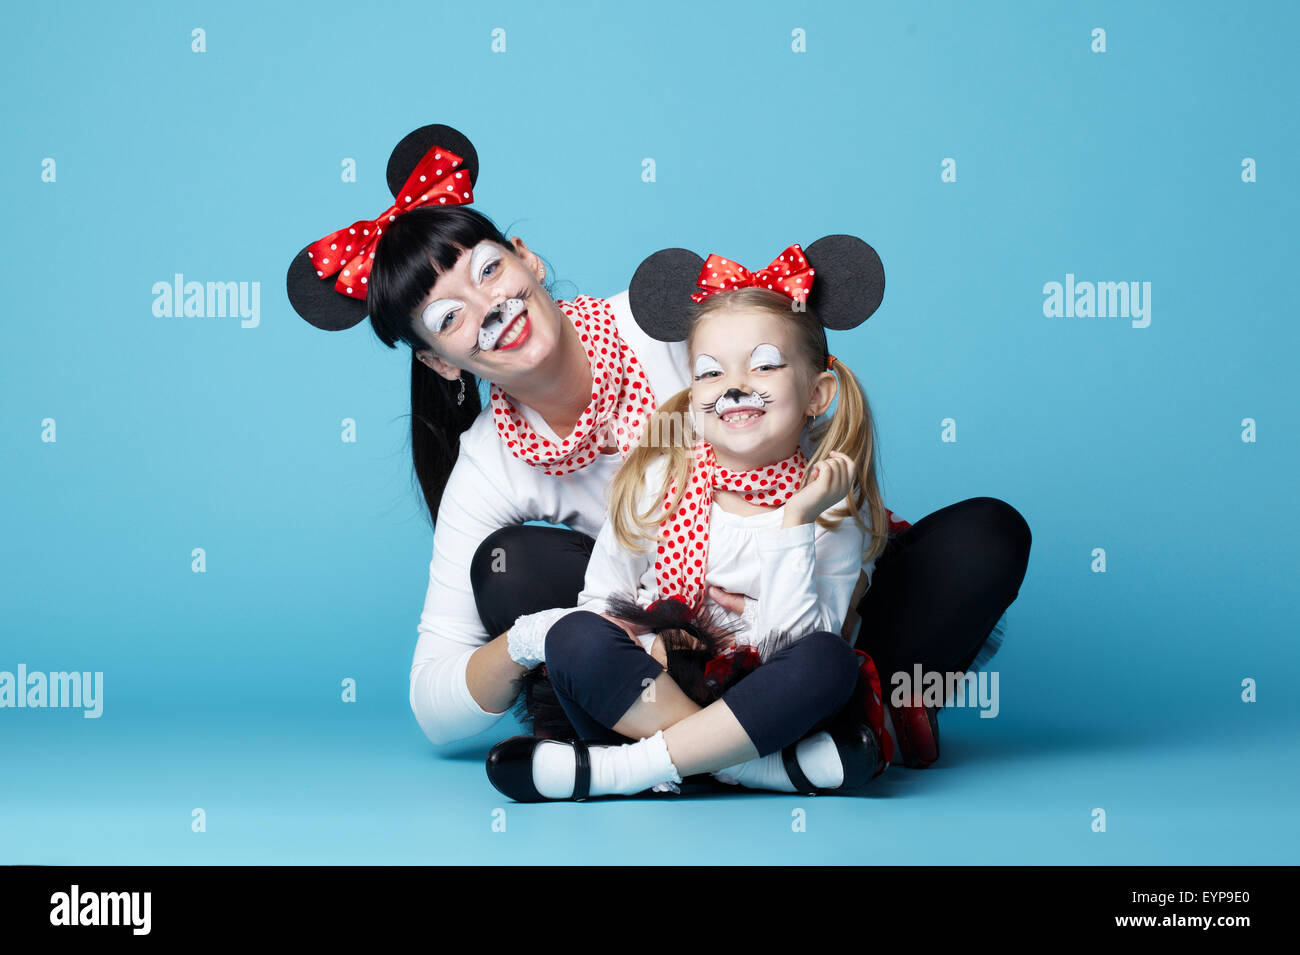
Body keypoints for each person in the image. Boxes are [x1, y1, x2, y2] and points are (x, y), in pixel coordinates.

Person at [285, 124, 1031, 768]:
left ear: (526, 256)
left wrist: (779, 552)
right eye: (451, 318)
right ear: (441, 362)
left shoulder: (670, 322)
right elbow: (433, 702)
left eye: (490, 270)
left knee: (986, 535)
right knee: (511, 573)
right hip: (661, 648)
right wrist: (545, 634)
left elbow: (811, 398)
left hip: (814, 590)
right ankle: (755, 752)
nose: (493, 308)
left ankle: (786, 721)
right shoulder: (488, 461)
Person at [485, 241, 905, 801]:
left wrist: (796, 521)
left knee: (827, 663)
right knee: (574, 637)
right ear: (692, 396)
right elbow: (603, 601)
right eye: (711, 373)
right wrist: (652, 641)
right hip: (648, 694)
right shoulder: (661, 481)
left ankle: (620, 771)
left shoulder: (827, 512)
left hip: (763, 704)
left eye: (765, 365)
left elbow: (793, 647)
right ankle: (752, 769)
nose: (735, 386)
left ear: (817, 394)